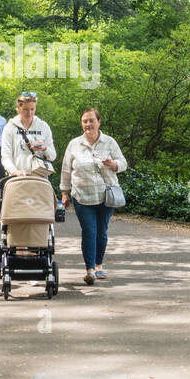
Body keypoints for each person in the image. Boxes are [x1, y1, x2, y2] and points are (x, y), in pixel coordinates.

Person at [61, 108, 127, 285]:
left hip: (106, 195)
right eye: (84, 121)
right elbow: (66, 169)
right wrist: (64, 192)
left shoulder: (109, 142)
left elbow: (123, 163)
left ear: (99, 122)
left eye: (91, 120)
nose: (88, 124)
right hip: (82, 196)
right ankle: (89, 269)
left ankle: (99, 266)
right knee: (89, 231)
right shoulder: (74, 144)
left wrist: (113, 164)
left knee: (102, 232)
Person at [1, 91, 56, 178]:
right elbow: (5, 156)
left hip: (40, 178)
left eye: (32, 109)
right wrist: (14, 171)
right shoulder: (9, 127)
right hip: (18, 177)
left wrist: (45, 148)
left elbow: (53, 156)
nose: (29, 113)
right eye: (25, 109)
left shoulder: (43, 126)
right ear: (18, 108)